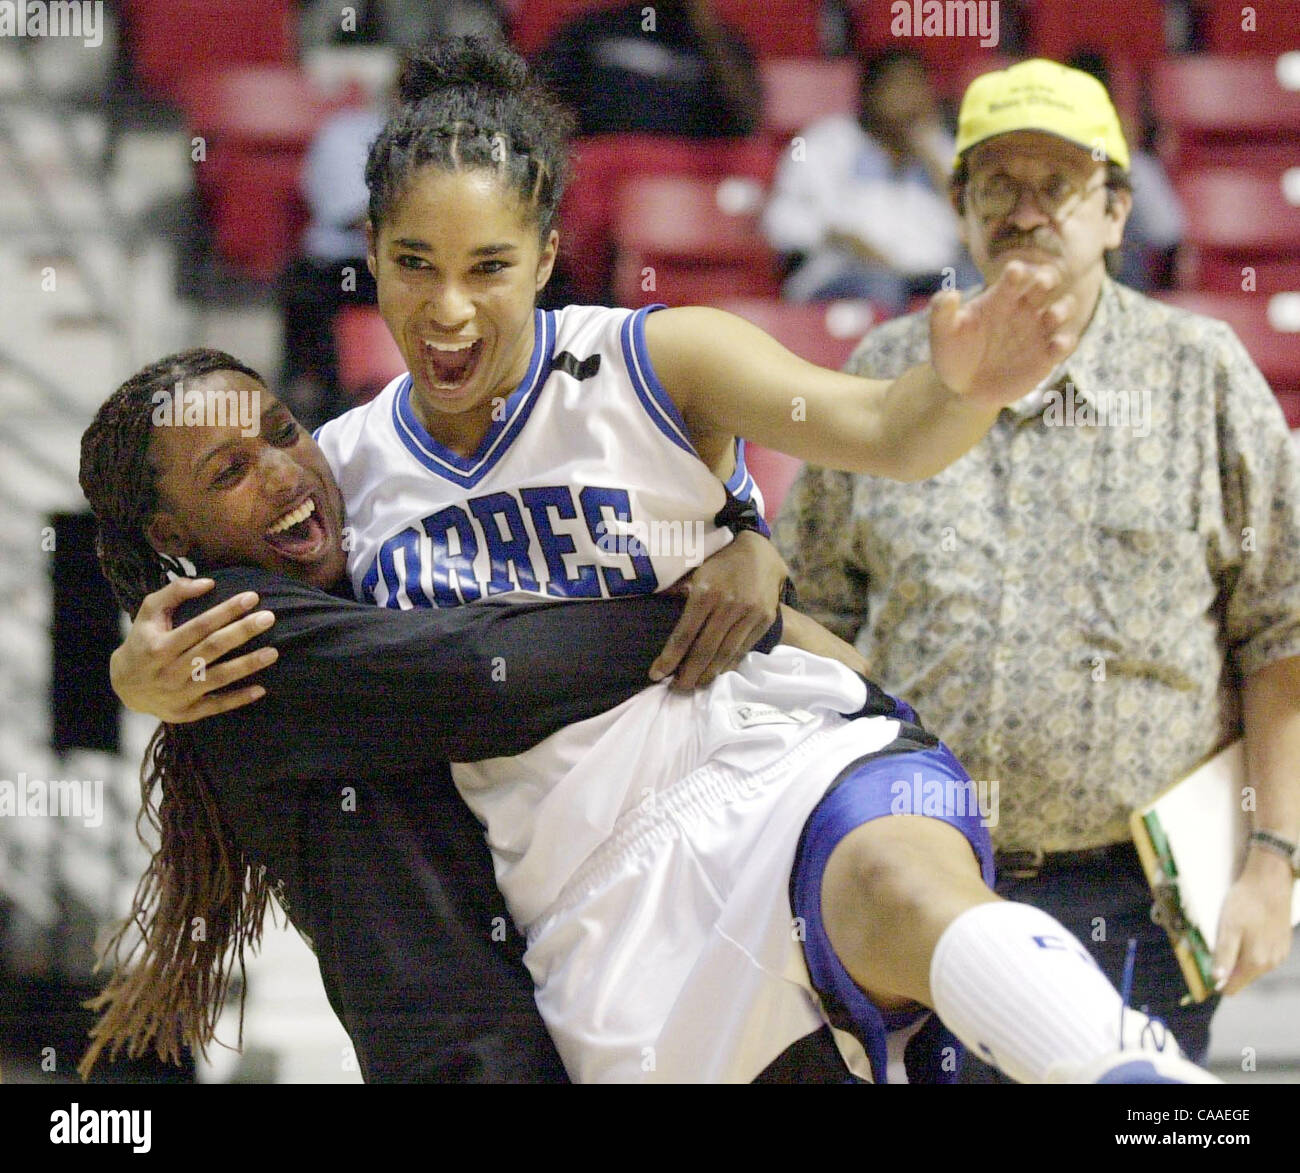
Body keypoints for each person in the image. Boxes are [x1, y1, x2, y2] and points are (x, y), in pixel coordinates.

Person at [114, 38, 1218, 1085]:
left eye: (490, 267)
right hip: (590, 903)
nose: (448, 311)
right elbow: (229, 621)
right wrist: (137, 673)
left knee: (900, 889)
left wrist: (962, 388)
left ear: (548, 254)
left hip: (768, 759)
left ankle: (1149, 1083)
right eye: (414, 264)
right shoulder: (341, 474)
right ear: (370, 252)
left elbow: (885, 429)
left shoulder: (656, 357)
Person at [773, 57, 1300, 1082]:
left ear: (1114, 209)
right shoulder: (886, 375)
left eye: (1055, 184)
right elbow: (812, 613)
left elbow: (1281, 631)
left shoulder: (1203, 377)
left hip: (1138, 900)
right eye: (994, 184)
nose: (1024, 211)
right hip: (926, 887)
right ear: (957, 206)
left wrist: (1275, 862)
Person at [77, 349, 799, 1082]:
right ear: (170, 536)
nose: (285, 473)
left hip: (587, 1011)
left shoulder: (343, 555)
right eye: (229, 473)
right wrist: (715, 617)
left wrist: (745, 539)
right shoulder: (234, 628)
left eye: (284, 431)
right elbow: (491, 673)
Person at [761, 46, 977, 312]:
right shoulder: (824, 143)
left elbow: (973, 228)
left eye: (919, 87)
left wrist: (934, 161)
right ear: (870, 93)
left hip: (927, 275)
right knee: (882, 287)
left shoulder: (942, 148)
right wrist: (841, 237)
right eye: (900, 87)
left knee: (971, 284)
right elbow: (782, 223)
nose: (912, 99)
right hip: (844, 273)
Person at [532, 0, 761, 140]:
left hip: (685, 191)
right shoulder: (590, 32)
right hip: (594, 184)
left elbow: (744, 128)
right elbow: (538, 108)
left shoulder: (721, 47)